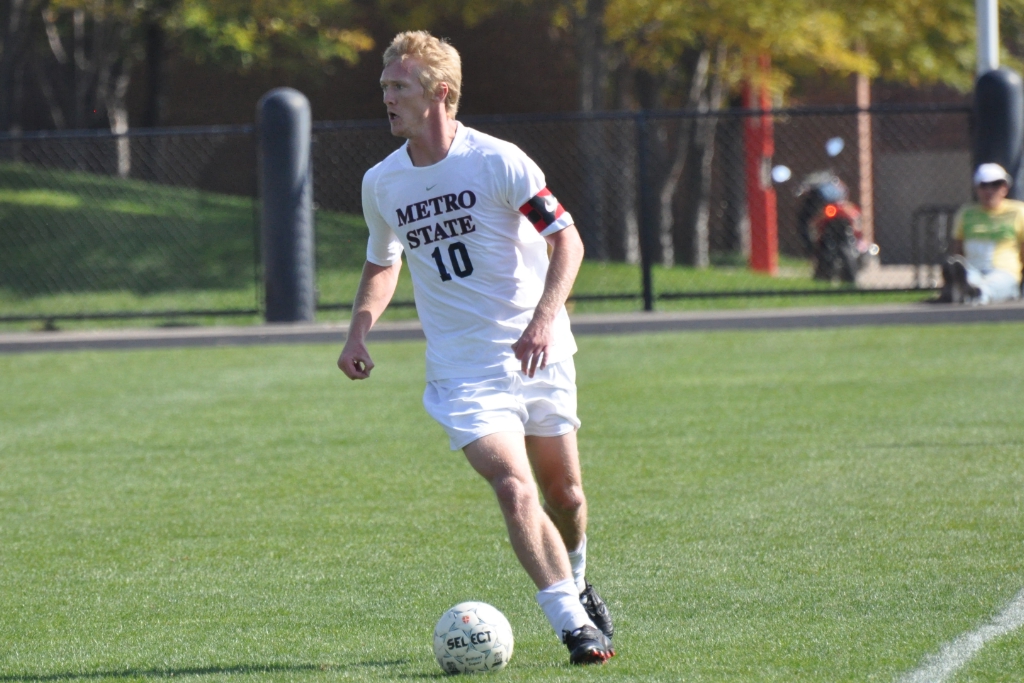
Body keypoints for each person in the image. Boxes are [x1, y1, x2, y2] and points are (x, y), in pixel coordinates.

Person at [336, 30, 615, 665]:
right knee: (514, 486)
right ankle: (573, 624)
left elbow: (565, 240)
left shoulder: (497, 160)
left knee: (566, 497)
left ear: (440, 94)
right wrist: (357, 331)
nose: (386, 97)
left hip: (539, 353)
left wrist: (545, 319)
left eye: (398, 86)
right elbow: (383, 262)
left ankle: (577, 576)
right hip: (465, 369)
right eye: (384, 86)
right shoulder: (382, 182)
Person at [941, 163, 1024, 304]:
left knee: (994, 284)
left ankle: (976, 294)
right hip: (974, 270)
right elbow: (957, 249)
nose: (989, 190)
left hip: (1004, 272)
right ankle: (964, 290)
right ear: (977, 189)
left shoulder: (1018, 211)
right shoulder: (966, 213)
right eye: (984, 185)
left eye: (995, 185)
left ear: (1005, 188)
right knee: (970, 278)